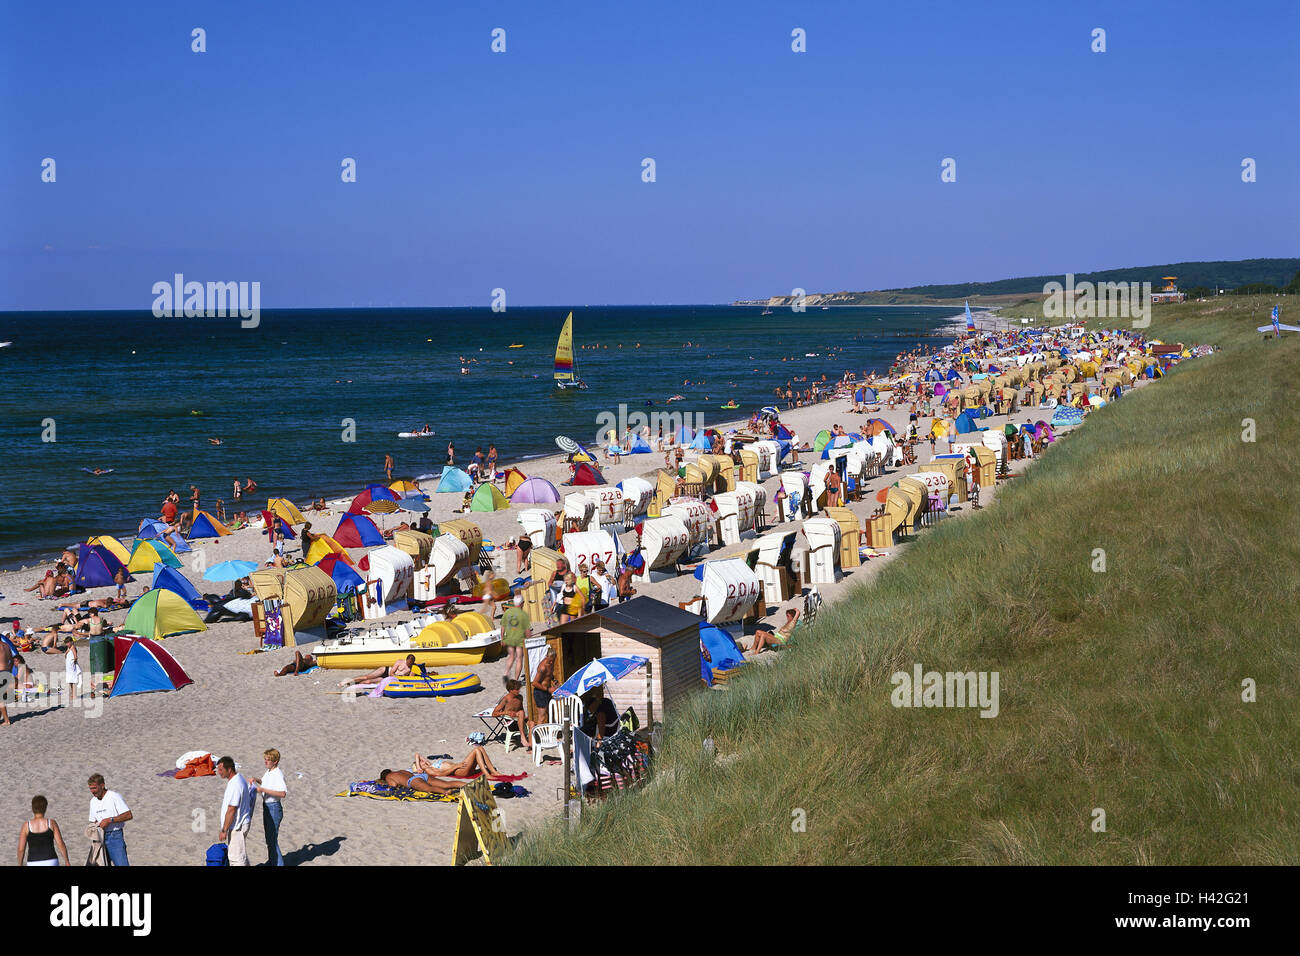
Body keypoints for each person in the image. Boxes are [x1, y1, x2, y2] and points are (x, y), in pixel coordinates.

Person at [250, 749, 287, 866]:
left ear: (275, 761)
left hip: (274, 808)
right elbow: (266, 783)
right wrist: (257, 780)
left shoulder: (278, 773)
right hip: (267, 807)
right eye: (265, 759)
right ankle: (273, 862)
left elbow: (283, 793)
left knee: (272, 840)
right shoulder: (269, 771)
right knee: (269, 839)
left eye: (268, 760)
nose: (265, 761)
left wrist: (263, 790)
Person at [216, 756, 255, 866]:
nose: (219, 772)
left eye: (221, 770)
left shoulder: (235, 784)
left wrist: (224, 830)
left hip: (238, 827)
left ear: (229, 769)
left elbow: (232, 809)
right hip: (241, 824)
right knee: (241, 856)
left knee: (236, 859)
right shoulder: (239, 778)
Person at [87, 774, 132, 866]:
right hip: (100, 838)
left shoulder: (114, 796)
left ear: (102, 785)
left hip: (115, 837)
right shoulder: (93, 801)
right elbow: (93, 821)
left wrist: (110, 820)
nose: (92, 791)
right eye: (90, 788)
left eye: (94, 788)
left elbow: (128, 815)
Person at [17, 795, 70, 866]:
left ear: (33, 808)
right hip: (51, 860)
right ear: (45, 808)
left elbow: (21, 849)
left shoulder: (26, 825)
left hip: (33, 862)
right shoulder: (51, 823)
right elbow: (60, 844)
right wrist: (66, 861)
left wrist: (20, 864)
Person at [492, 680, 533, 752]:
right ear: (511, 690)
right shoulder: (506, 699)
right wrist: (506, 712)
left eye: (519, 689)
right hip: (511, 722)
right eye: (517, 689)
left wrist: (524, 717)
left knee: (532, 723)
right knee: (520, 712)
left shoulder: (520, 697)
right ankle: (522, 737)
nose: (519, 691)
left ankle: (530, 747)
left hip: (519, 719)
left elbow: (521, 709)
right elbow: (494, 713)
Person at [499, 594, 530, 684]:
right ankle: (516, 680)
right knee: (519, 658)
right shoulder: (523, 615)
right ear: (522, 603)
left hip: (509, 638)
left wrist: (502, 638)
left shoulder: (508, 612)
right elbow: (527, 631)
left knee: (511, 656)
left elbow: (503, 626)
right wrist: (529, 639)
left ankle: (506, 673)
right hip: (519, 639)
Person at [337, 654, 415, 688]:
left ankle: (353, 684)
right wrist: (396, 677)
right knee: (366, 677)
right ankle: (344, 682)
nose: (409, 664)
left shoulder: (412, 668)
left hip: (388, 678)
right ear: (407, 659)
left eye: (411, 663)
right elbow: (392, 672)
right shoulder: (400, 662)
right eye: (409, 662)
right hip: (385, 671)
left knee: (368, 682)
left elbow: (411, 678)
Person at [532, 647, 559, 715]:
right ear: (546, 656)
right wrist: (548, 689)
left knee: (551, 714)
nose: (551, 662)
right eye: (550, 660)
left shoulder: (551, 663)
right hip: (540, 692)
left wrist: (555, 681)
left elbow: (549, 675)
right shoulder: (542, 667)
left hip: (547, 691)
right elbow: (534, 683)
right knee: (542, 716)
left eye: (553, 660)